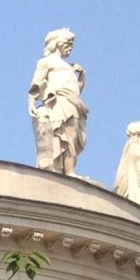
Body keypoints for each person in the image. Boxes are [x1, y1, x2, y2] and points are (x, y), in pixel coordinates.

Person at [28, 29, 88, 176]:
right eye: (68, 44)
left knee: (71, 137)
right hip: (57, 102)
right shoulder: (46, 62)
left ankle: (69, 170)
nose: (70, 47)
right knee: (60, 135)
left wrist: (81, 76)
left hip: (72, 103)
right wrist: (31, 102)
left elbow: (76, 90)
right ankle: (63, 170)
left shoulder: (69, 66)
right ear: (59, 43)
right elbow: (37, 82)